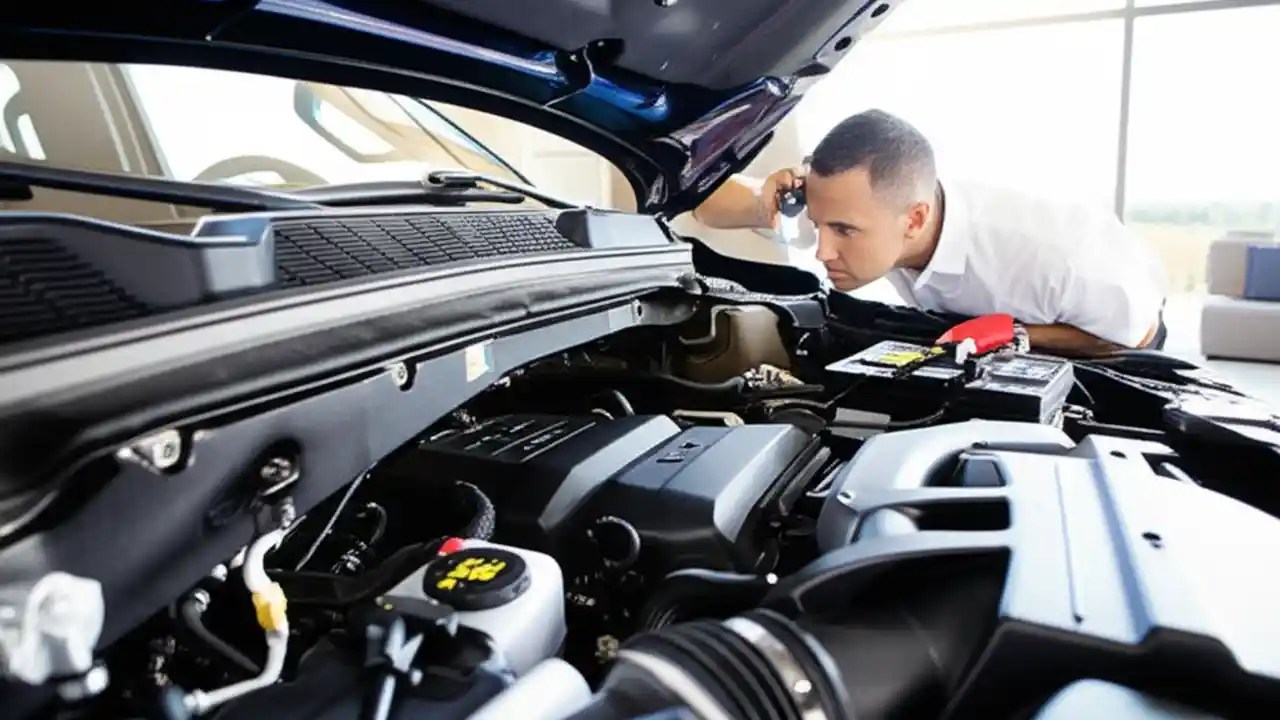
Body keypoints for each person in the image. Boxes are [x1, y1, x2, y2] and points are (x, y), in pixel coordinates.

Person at [692, 109, 1168, 355]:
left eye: (843, 231)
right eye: (819, 225)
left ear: (914, 220)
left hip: (1106, 332)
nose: (823, 251)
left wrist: (1015, 333)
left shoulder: (1057, 258)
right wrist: (764, 202)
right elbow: (705, 206)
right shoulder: (859, 208)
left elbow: (1137, 335)